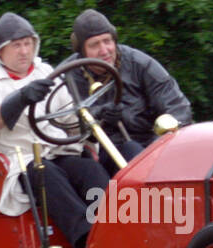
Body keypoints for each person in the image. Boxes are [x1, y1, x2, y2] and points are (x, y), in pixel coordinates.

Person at [0, 12, 110, 248]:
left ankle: (117, 228)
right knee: (45, 172)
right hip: (14, 162)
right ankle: (89, 240)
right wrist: (20, 98)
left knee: (88, 168)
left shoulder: (44, 72)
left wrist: (95, 118)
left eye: (28, 43)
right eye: (16, 45)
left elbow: (68, 118)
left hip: (54, 150)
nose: (24, 51)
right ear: (1, 51)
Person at [57, 9, 194, 170]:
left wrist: (160, 143)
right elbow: (58, 125)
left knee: (133, 150)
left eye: (107, 41)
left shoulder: (140, 64)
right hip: (94, 153)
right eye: (94, 45)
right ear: (81, 51)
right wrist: (97, 115)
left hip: (147, 146)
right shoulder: (66, 77)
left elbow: (178, 108)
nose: (104, 50)